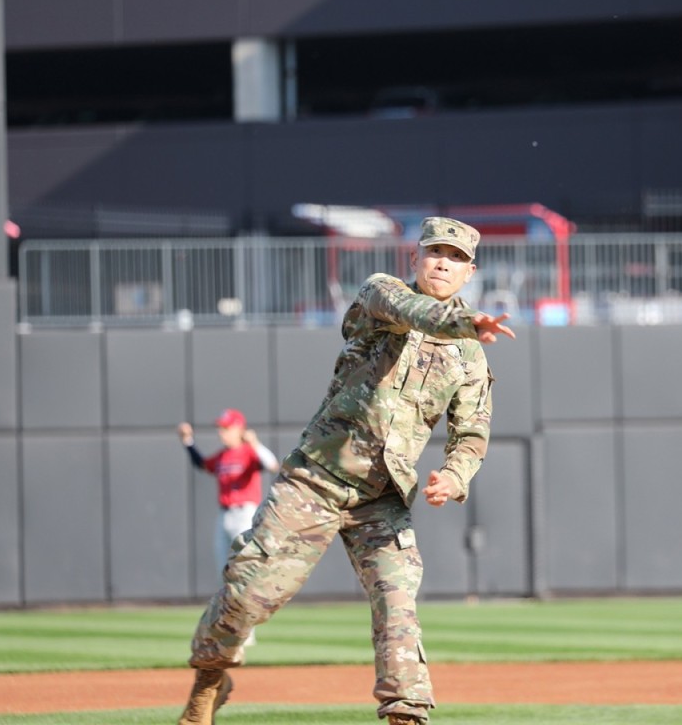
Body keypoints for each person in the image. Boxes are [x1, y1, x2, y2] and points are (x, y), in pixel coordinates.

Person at [177, 217, 516, 725]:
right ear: (414, 259)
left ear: (471, 271)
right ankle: (209, 676)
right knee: (248, 593)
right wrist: (463, 324)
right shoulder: (382, 295)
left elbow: (470, 435)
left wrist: (456, 474)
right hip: (316, 479)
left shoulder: (470, 356)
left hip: (382, 497)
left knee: (398, 608)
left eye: (456, 257)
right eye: (434, 252)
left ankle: (406, 715)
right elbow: (413, 312)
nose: (443, 262)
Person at [178, 409, 281, 574]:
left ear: (239, 429)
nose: (221, 432)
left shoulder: (249, 451)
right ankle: (227, 600)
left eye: (226, 428)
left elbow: (272, 465)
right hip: (224, 515)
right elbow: (202, 464)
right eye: (220, 428)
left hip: (245, 514)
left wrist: (255, 443)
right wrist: (187, 441)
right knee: (224, 569)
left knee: (246, 567)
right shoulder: (222, 455)